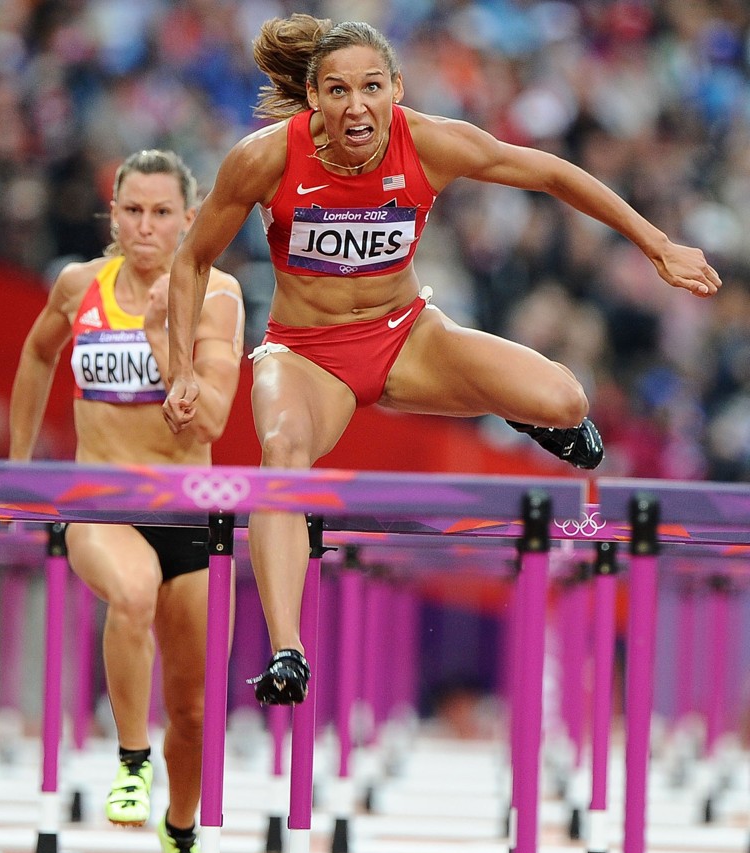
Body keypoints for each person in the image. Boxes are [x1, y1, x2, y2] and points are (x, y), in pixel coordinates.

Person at [161, 15, 721, 707]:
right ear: (313, 97)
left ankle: (530, 417)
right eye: (338, 90)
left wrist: (656, 243)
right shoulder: (263, 158)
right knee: (283, 457)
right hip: (307, 357)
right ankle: (288, 652)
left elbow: (549, 172)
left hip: (405, 337)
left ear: (396, 88)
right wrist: (180, 364)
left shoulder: (430, 142)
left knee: (567, 401)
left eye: (372, 87)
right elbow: (190, 260)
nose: (356, 105)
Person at [9, 149, 244, 853]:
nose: (145, 227)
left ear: (189, 219)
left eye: (162, 213)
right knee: (132, 592)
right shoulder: (78, 286)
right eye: (132, 210)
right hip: (101, 503)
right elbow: (37, 354)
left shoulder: (217, 298)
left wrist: (156, 335)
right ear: (112, 215)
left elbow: (204, 418)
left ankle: (180, 835)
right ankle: (131, 758)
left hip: (191, 513)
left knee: (197, 708)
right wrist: (18, 467)